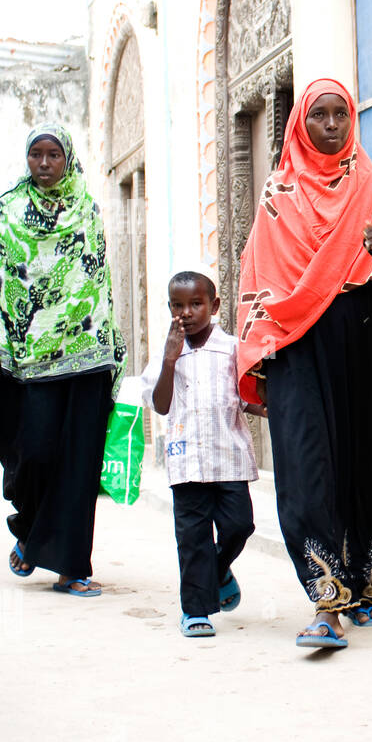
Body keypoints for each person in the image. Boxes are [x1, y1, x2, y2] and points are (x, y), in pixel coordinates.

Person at [235, 78, 372, 650]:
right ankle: (326, 599)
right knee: (307, 467)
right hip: (299, 351)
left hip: (363, 346)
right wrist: (262, 356)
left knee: (369, 459)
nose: (330, 125)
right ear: (300, 124)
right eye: (318, 115)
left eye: (340, 114)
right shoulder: (279, 196)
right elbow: (259, 282)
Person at [0, 123, 125, 596]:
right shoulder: (9, 212)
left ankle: (72, 567)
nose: (44, 163)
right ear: (27, 159)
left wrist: (103, 347)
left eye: (53, 154)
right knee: (33, 454)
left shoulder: (87, 211)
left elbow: (97, 284)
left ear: (67, 159)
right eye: (36, 154)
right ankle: (30, 530)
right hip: (25, 359)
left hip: (85, 357)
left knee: (79, 463)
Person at [140, 270, 262, 637]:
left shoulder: (231, 349)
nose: (188, 312)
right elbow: (160, 405)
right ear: (170, 309)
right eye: (179, 306)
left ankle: (218, 568)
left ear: (214, 306)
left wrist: (279, 407)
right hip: (187, 462)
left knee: (240, 526)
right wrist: (169, 361)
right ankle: (195, 612)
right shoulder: (168, 353)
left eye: (196, 304)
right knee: (192, 539)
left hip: (231, 459)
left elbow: (247, 398)